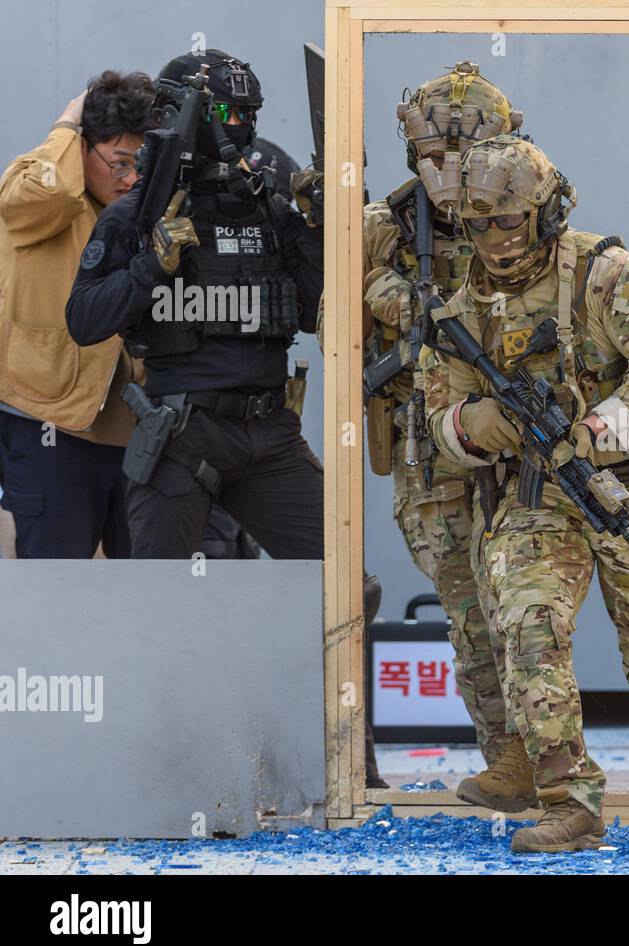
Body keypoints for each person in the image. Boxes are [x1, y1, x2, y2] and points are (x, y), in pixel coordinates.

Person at [423, 134, 629, 852]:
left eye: (508, 222)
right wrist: (483, 424)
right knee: (526, 622)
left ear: (545, 213)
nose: (495, 242)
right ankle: (570, 801)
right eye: (477, 226)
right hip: (536, 496)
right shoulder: (460, 304)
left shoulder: (605, 273)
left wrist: (599, 428)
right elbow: (440, 417)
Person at [65, 49, 324, 560]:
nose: (244, 125)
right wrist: (152, 266)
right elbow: (84, 320)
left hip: (269, 434)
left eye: (252, 113)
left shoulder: (268, 210)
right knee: (164, 603)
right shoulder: (136, 217)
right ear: (191, 114)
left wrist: (319, 229)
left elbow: (316, 314)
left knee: (345, 582)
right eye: (231, 113)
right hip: (182, 436)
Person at [352, 62, 528, 809]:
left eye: (466, 159)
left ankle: (559, 749)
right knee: (468, 611)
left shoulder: (532, 217)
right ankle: (512, 761)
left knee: (524, 606)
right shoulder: (382, 231)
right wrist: (382, 294)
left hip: (516, 445)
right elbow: (335, 330)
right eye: (433, 160)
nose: (450, 175)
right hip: (430, 455)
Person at [0, 71, 153, 558]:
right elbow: (51, 192)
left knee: (144, 593)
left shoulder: (140, 210)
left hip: (135, 430)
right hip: (48, 421)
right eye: (119, 163)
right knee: (56, 585)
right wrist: (67, 124)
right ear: (81, 147)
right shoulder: (42, 202)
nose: (130, 179)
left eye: (141, 164)